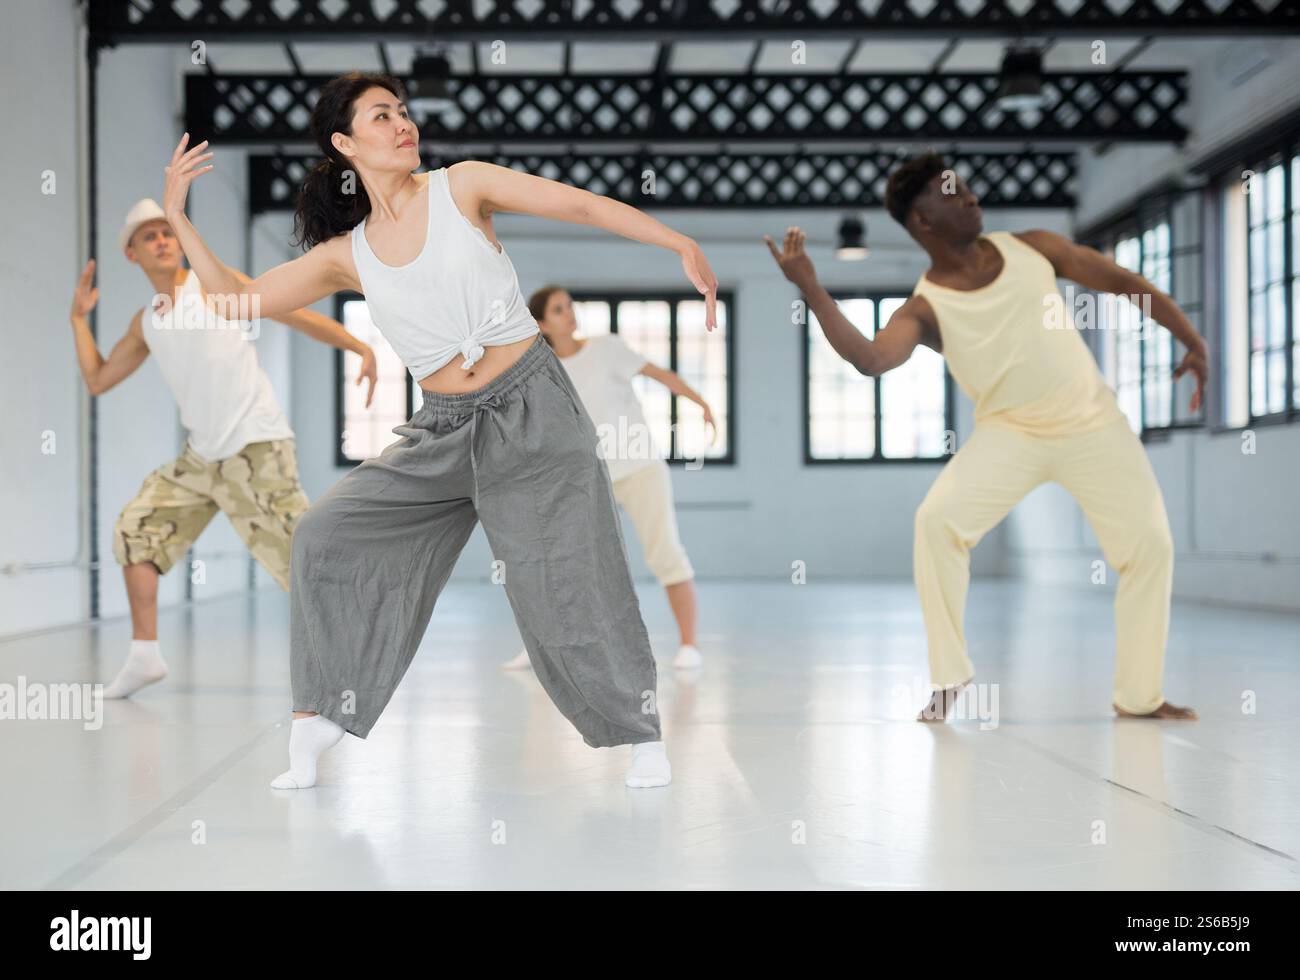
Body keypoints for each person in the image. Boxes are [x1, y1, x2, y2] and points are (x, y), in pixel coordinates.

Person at [157, 71, 718, 789]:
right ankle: (326, 709)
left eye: (403, 112)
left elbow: (576, 204)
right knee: (326, 534)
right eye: (382, 116)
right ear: (344, 142)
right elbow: (238, 303)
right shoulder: (346, 255)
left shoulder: (464, 187)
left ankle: (638, 733)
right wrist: (179, 215)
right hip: (442, 428)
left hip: (533, 412)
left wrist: (673, 240)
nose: (402, 125)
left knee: (566, 584)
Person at [764, 152, 1205, 723]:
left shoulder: (1035, 247)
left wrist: (1192, 339)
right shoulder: (925, 308)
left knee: (1151, 546)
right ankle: (951, 677)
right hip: (1009, 435)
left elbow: (1123, 282)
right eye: (953, 194)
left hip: (1093, 422)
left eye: (967, 189)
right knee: (937, 522)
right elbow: (872, 359)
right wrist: (811, 288)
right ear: (922, 222)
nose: (971, 199)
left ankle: (1138, 695)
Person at [72, 197, 377, 699]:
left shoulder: (212, 287)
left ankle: (348, 668)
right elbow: (99, 378)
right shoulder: (145, 321)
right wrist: (79, 321)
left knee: (301, 562)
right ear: (131, 255)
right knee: (135, 532)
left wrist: (358, 345)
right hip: (202, 459)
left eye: (167, 232)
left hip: (257, 446)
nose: (163, 241)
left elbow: (294, 315)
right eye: (149, 236)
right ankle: (144, 656)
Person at [501, 285, 711, 673]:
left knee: (664, 552)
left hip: (640, 467)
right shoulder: (545, 368)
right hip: (589, 474)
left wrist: (701, 403)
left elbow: (658, 374)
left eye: (570, 306)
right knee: (562, 560)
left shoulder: (607, 347)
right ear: (543, 323)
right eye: (560, 309)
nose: (570, 313)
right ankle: (540, 650)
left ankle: (689, 645)